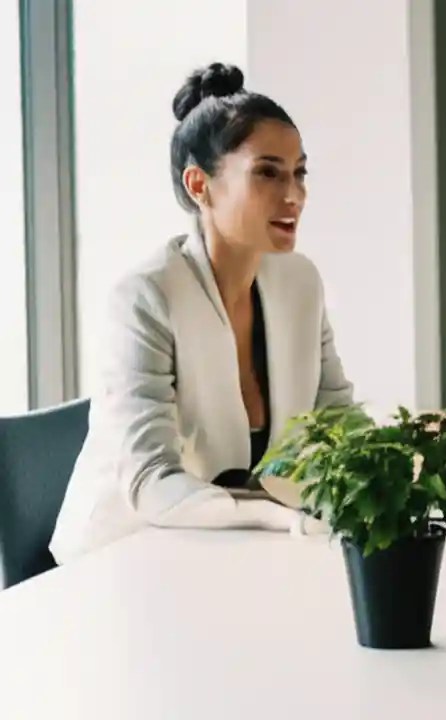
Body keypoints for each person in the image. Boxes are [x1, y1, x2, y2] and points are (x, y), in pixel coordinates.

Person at [50, 63, 353, 564]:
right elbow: (151, 481)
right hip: (122, 559)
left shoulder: (300, 282)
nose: (294, 195)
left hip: (233, 551)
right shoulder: (144, 297)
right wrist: (275, 515)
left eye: (299, 172)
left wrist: (403, 468)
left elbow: (338, 423)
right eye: (268, 172)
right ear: (199, 185)